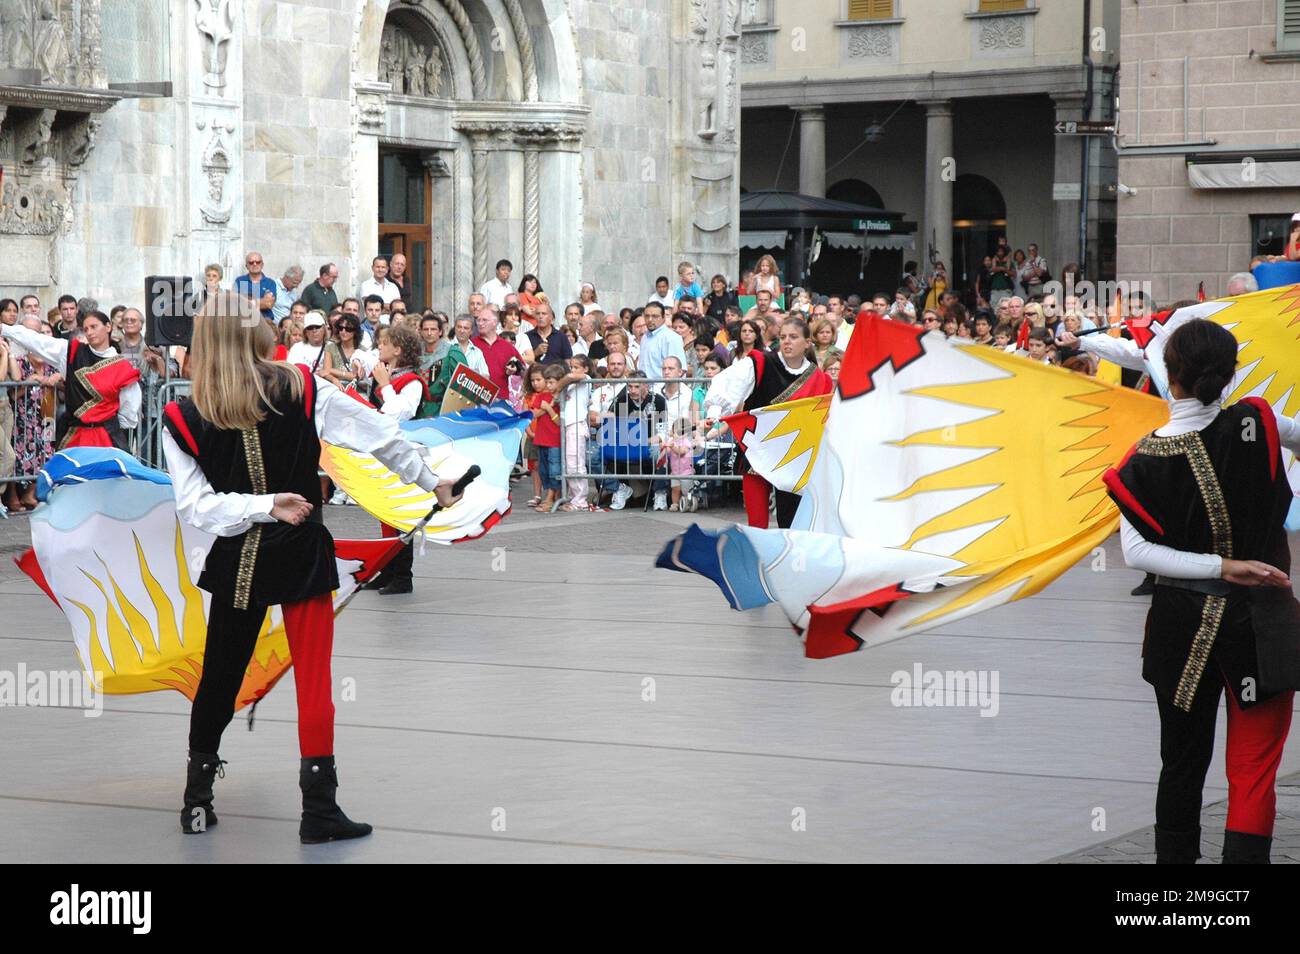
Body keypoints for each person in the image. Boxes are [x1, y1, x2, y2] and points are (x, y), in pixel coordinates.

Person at [161, 294, 466, 843]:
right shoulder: (301, 385)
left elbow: (195, 506)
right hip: (299, 552)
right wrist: (430, 482)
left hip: (239, 558)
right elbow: (377, 433)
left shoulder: (184, 412)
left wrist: (256, 506)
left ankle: (196, 801)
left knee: (220, 678)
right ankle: (318, 811)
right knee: (314, 681)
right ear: (256, 333)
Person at [1103, 319, 1300, 864]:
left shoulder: (1140, 462)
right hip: (1263, 622)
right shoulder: (1257, 422)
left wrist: (1218, 564)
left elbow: (1139, 554)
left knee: (1182, 761)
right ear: (1230, 372)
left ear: (1169, 375)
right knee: (1254, 770)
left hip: (1179, 628)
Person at [701, 317, 833, 528]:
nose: (787, 342)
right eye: (782, 337)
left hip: (793, 458)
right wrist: (715, 412)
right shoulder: (760, 362)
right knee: (757, 522)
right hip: (757, 450)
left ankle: (789, 559)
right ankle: (757, 559)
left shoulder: (820, 379)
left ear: (808, 342)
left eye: (793, 337)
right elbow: (731, 382)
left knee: (791, 522)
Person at [2, 310, 140, 450]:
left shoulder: (122, 367)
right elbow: (38, 341)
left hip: (107, 438)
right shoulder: (71, 352)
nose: (90, 332)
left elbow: (129, 409)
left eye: (94, 326)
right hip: (75, 435)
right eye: (86, 329)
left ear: (108, 327)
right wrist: (4, 329)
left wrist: (115, 428)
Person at [365, 322, 432, 595]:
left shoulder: (412, 381)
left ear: (398, 349)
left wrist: (384, 386)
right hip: (385, 451)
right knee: (384, 513)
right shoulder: (389, 374)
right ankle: (388, 570)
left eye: (384, 342)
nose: (379, 346)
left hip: (403, 452)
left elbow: (399, 413)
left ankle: (403, 576)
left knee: (399, 514)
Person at [636, 300, 687, 380]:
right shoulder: (644, 337)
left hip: (663, 389)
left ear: (663, 318)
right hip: (645, 389)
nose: (650, 319)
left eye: (655, 316)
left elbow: (680, 370)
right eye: (647, 316)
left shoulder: (671, 338)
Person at [235, 252, 278, 321]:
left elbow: (268, 304)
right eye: (251, 262)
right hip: (245, 322)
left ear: (262, 264)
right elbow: (237, 305)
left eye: (258, 262)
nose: (254, 264)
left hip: (265, 321)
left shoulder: (270, 283)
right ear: (246, 266)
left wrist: (247, 303)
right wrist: (262, 301)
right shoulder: (240, 281)